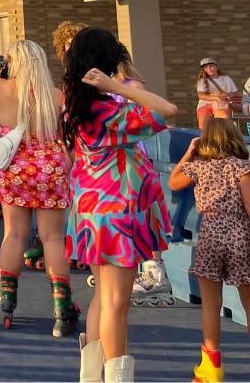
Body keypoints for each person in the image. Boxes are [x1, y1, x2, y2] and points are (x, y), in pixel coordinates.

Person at [63, 28, 177, 382]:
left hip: (91, 212)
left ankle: (91, 375)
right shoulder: (110, 111)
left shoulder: (77, 103)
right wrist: (117, 87)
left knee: (103, 300)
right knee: (116, 304)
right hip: (117, 215)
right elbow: (167, 109)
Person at [0, 40, 78, 337]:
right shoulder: (56, 95)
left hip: (15, 167)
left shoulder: (2, 89)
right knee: (53, 238)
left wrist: (0, 61)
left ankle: (7, 299)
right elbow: (67, 134)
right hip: (51, 166)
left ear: (14, 62)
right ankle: (62, 306)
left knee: (14, 235)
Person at [168, 119, 250, 382]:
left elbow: (173, 183)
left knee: (211, 305)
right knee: (249, 304)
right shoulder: (243, 167)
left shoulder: (199, 167)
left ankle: (211, 368)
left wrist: (188, 153)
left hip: (210, 233)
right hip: (239, 234)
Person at [196, 58, 238, 131]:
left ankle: (224, 139)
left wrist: (229, 95)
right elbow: (201, 95)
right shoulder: (202, 80)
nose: (209, 69)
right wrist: (216, 98)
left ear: (217, 67)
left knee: (223, 124)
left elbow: (235, 92)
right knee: (203, 124)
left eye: (211, 66)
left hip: (221, 104)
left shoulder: (226, 78)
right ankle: (204, 139)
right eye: (206, 67)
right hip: (205, 105)